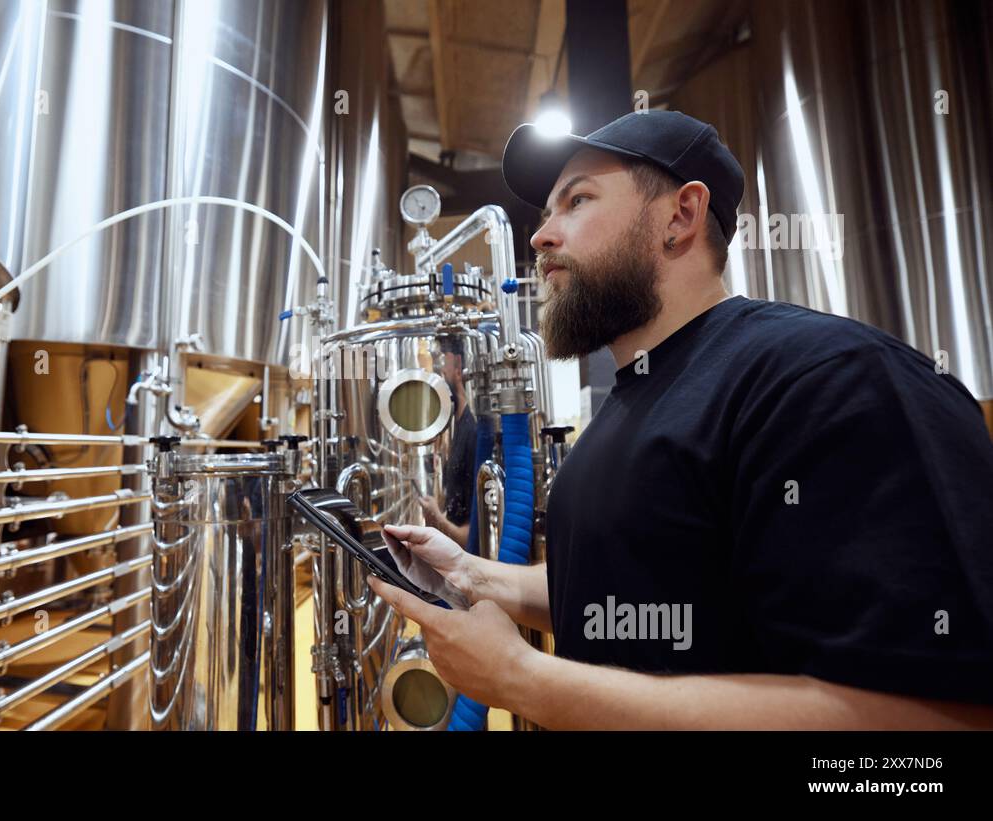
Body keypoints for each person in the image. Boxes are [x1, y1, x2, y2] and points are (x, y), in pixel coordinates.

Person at [367, 109, 993, 729]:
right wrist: (473, 575)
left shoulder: (827, 378)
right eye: (545, 212)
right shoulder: (632, 402)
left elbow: (933, 726)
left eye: (576, 201)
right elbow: (643, 594)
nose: (541, 236)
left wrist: (524, 681)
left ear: (680, 216)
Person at [418, 337, 477, 548]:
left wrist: (438, 519)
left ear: (459, 365)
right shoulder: (457, 424)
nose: (436, 371)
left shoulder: (475, 432)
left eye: (441, 362)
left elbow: (471, 536)